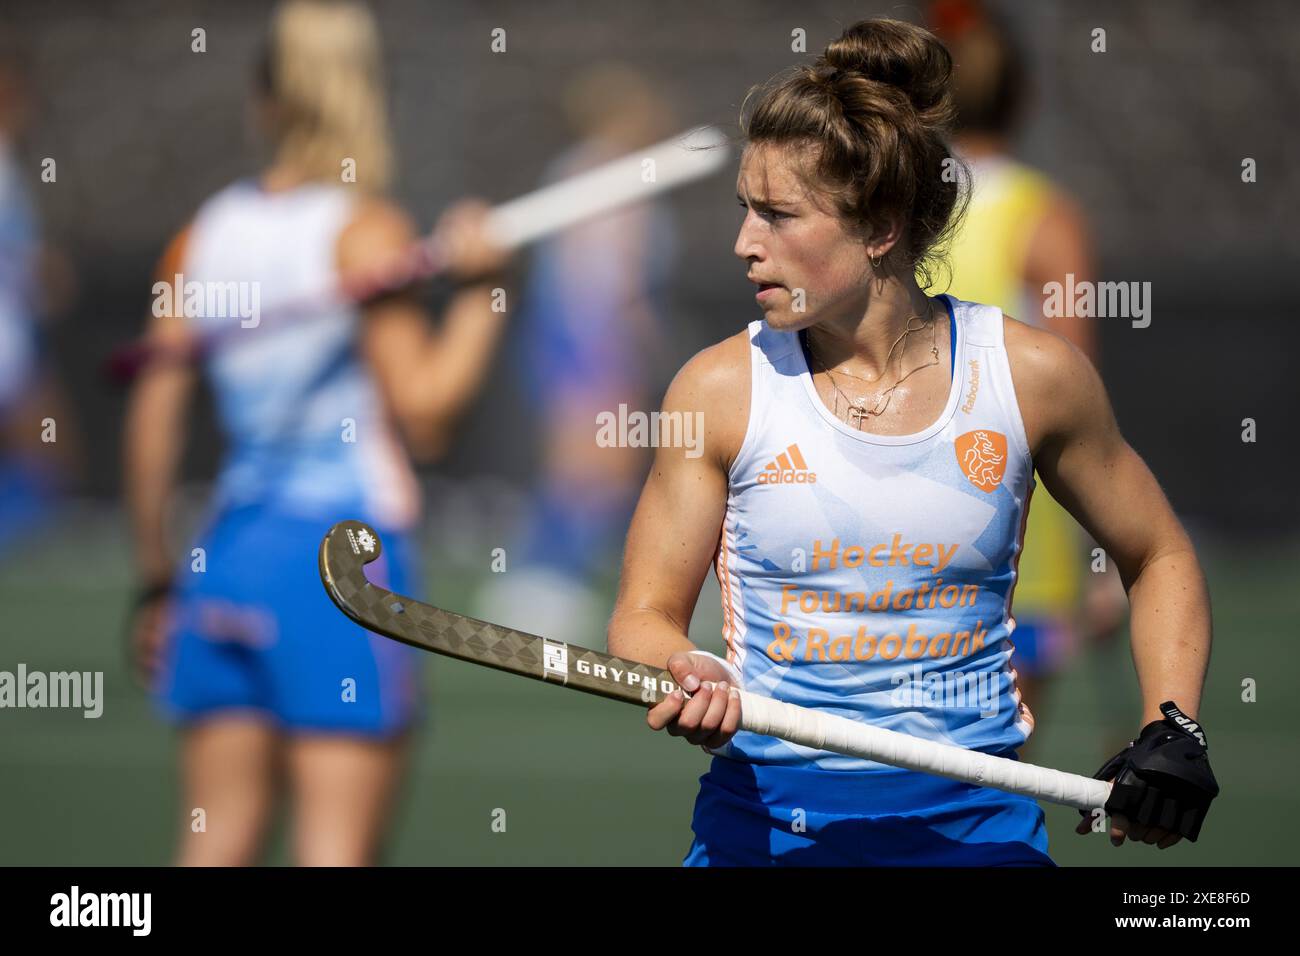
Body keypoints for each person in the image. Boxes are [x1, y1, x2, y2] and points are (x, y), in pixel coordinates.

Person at [606, 17, 1217, 866]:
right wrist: (686, 665)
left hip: (976, 838)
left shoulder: (1032, 376)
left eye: (778, 215)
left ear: (882, 226)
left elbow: (1158, 553)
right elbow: (643, 615)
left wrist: (1172, 726)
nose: (745, 243)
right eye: (745, 209)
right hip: (766, 832)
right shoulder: (717, 391)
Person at [124, 0, 509, 866]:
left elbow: (152, 422)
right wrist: (485, 294)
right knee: (336, 850)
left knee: (214, 842)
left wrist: (157, 580)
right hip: (344, 564)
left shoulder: (200, 235)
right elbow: (427, 413)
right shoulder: (365, 232)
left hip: (227, 555)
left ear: (265, 98)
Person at [925, 0, 1127, 735]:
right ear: (1024, 96)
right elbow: (1077, 400)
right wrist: (1105, 555)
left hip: (902, 511)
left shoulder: (894, 207)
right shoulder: (1046, 218)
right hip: (1016, 527)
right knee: (993, 760)